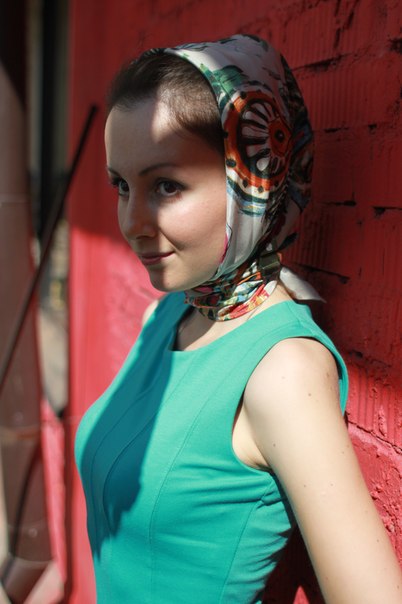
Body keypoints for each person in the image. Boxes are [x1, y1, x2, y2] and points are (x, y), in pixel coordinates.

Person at [75, 34, 401, 603]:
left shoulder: (282, 370)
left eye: (166, 186)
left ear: (252, 176)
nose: (131, 222)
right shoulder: (165, 317)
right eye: (122, 186)